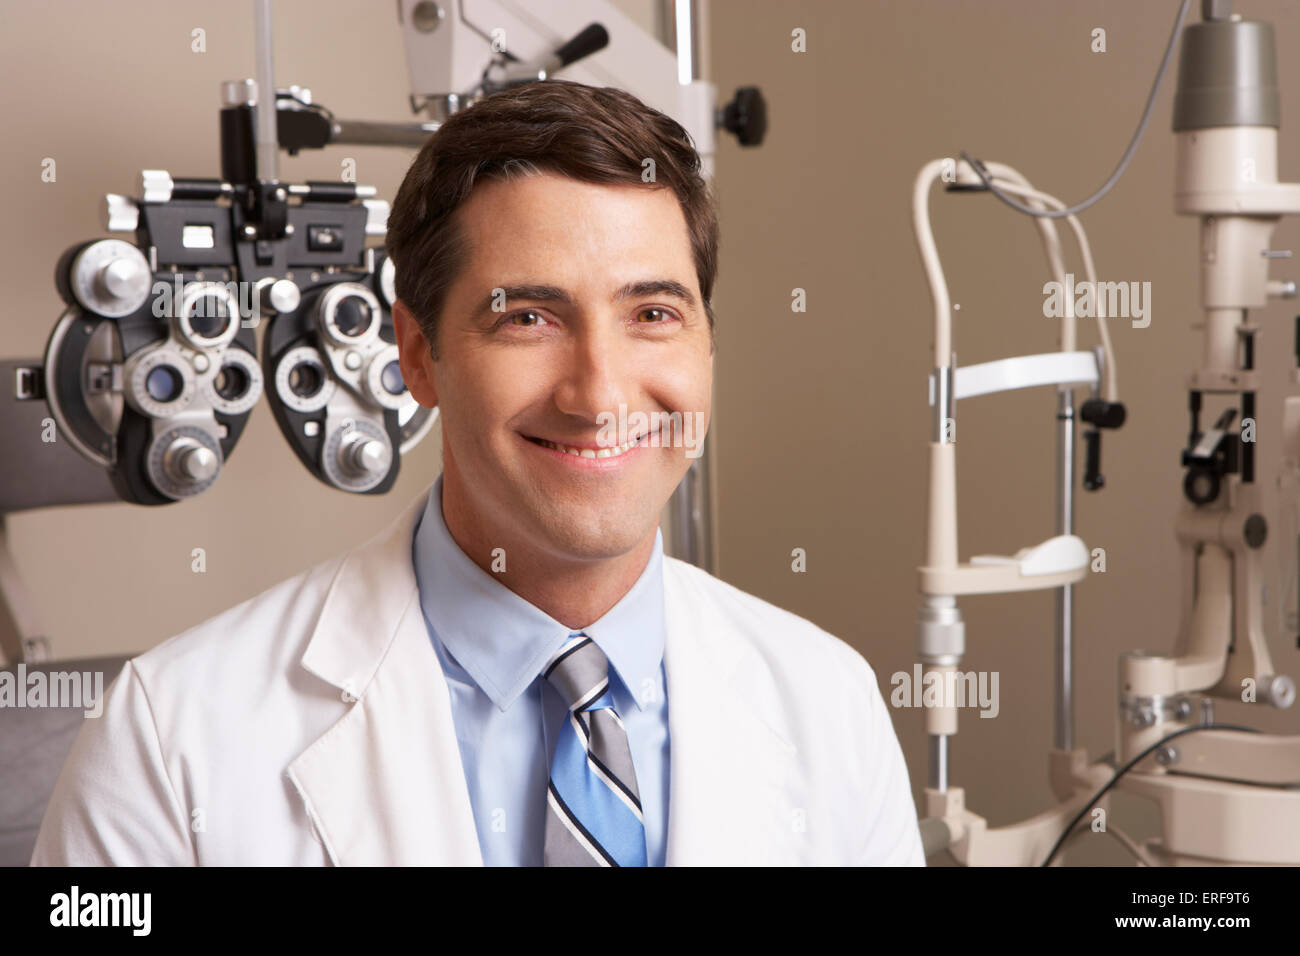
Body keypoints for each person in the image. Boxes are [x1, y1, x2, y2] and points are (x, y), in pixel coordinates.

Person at [31, 80, 925, 866]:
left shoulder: (828, 702)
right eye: (529, 318)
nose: (599, 394)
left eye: (653, 313)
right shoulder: (171, 736)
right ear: (417, 356)